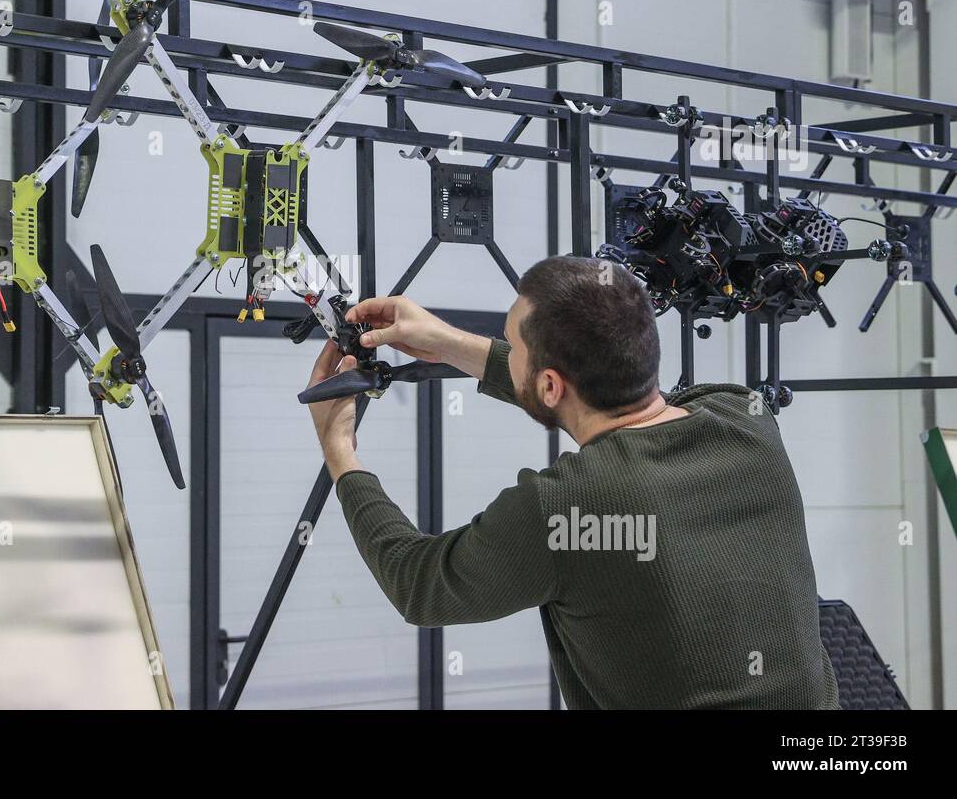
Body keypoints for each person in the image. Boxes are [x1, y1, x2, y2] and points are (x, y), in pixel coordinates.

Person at [305, 255, 839, 709]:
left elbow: (419, 585)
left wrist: (339, 449)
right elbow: (604, 396)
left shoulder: (562, 508)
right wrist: (446, 343)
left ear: (551, 384)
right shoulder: (745, 417)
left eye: (511, 343)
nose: (504, 347)